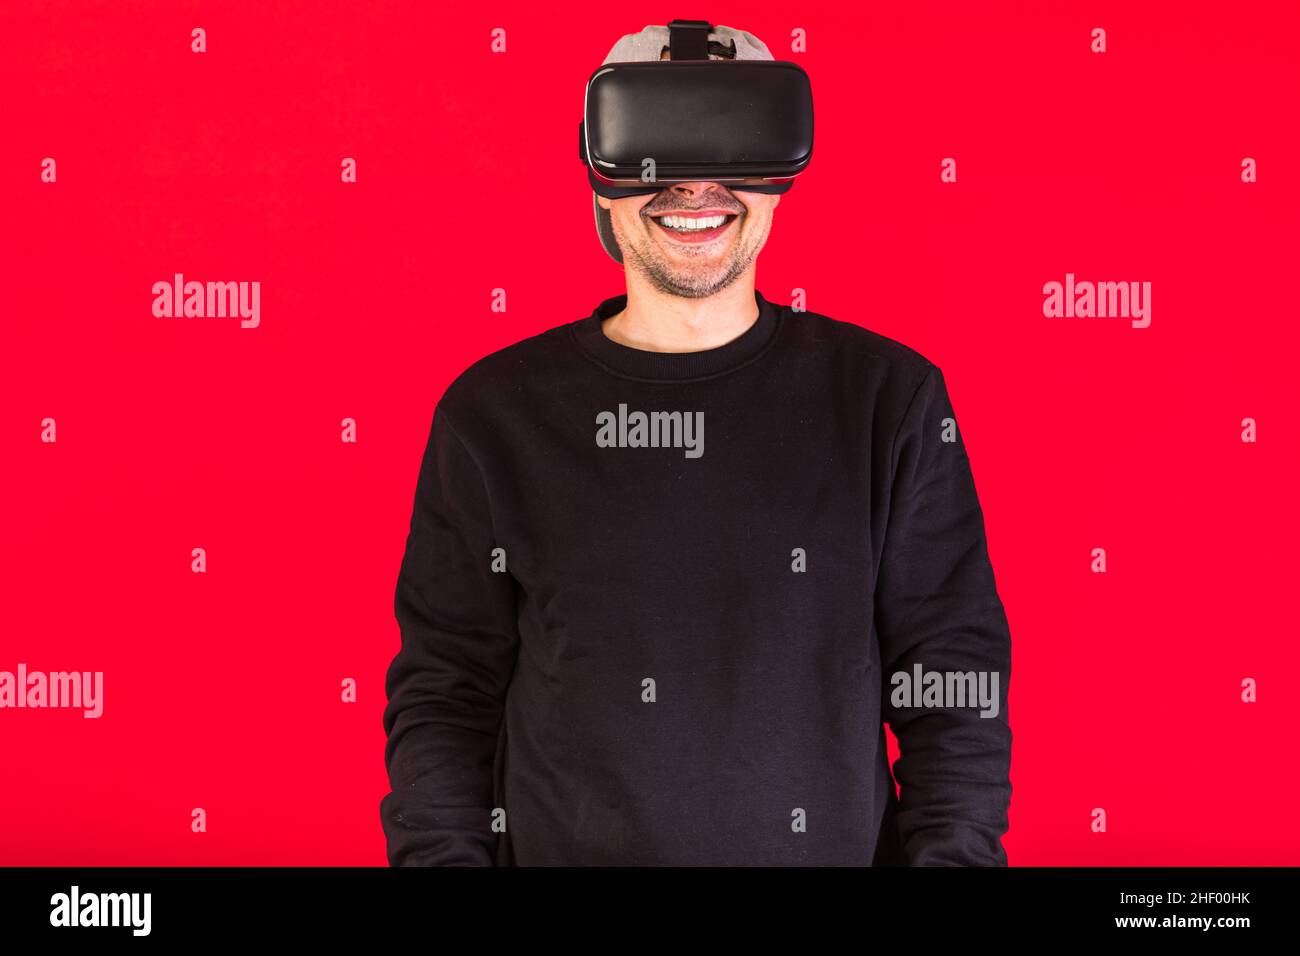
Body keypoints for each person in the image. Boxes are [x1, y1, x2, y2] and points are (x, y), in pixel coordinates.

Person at [380, 22, 1012, 866]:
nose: (694, 186)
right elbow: (446, 694)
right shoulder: (491, 416)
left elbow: (952, 682)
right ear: (600, 175)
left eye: (732, 142)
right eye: (654, 151)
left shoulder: (888, 401)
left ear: (785, 172)